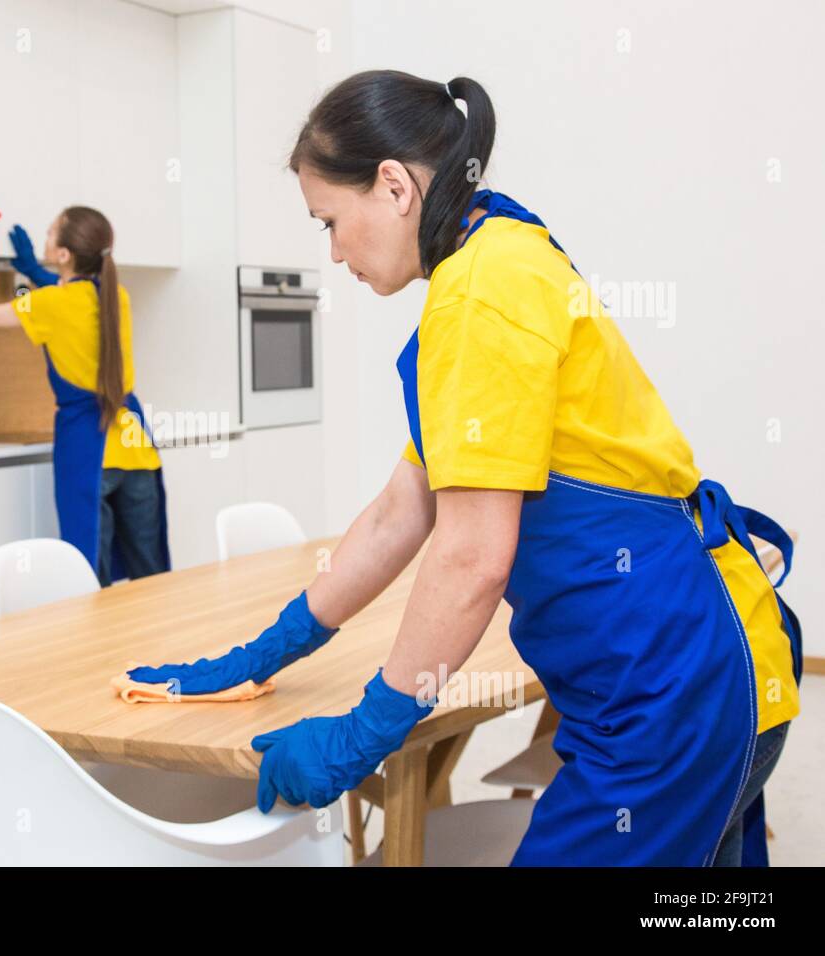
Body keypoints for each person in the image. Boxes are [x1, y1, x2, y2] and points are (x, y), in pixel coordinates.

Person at [127, 70, 802, 866]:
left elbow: (472, 556)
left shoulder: (480, 292)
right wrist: (269, 651)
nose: (335, 250)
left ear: (392, 185)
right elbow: (402, 509)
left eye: (330, 222)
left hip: (668, 690)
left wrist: (370, 726)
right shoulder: (500, 254)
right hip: (705, 666)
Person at [0, 205, 170, 587]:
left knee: (89, 579)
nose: (44, 239)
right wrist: (32, 269)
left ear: (63, 254)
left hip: (88, 450)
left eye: (49, 233)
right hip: (136, 447)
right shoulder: (115, 297)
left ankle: (101, 650)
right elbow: (70, 298)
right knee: (151, 582)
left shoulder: (48, 305)